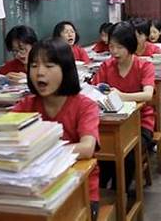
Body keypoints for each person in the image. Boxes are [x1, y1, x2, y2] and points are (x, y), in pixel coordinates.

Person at [12, 38, 100, 220]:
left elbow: (86, 148)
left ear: (66, 69)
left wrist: (39, 153)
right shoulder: (25, 105)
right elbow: (6, 140)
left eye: (49, 65)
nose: (39, 73)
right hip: (33, 191)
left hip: (78, 189)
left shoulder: (85, 105)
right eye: (34, 65)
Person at [91, 21, 155, 193]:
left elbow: (148, 95)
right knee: (102, 155)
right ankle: (104, 198)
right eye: (111, 46)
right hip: (110, 123)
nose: (114, 52)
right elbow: (93, 91)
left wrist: (122, 96)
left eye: (119, 47)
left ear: (130, 45)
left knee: (127, 157)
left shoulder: (144, 65)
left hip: (141, 123)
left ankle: (120, 196)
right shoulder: (106, 66)